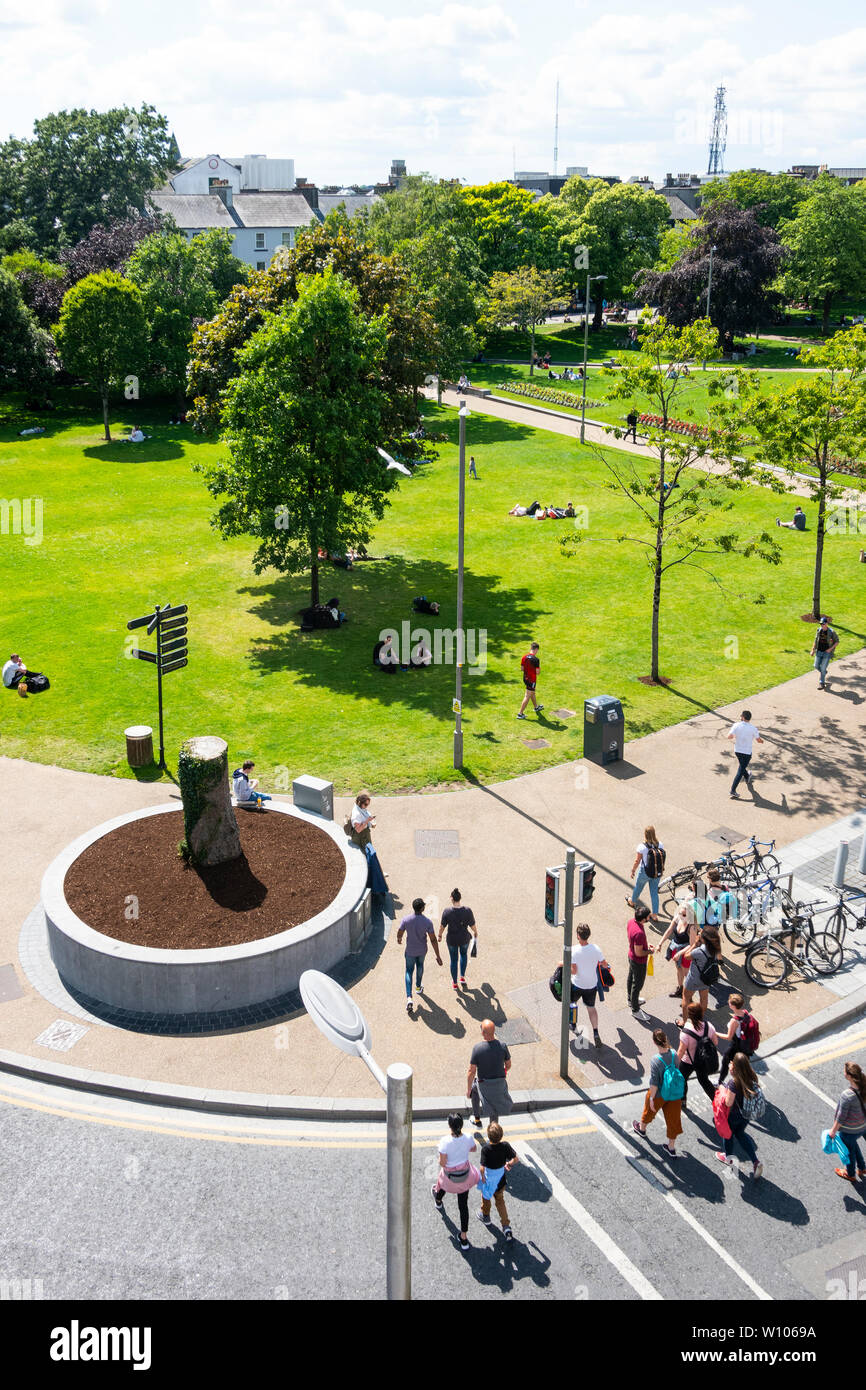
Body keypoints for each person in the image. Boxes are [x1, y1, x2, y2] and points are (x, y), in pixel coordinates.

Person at [432, 1112, 480, 1251]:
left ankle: (438, 1201)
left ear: (449, 1126)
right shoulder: (468, 1138)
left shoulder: (445, 1142)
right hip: (465, 1176)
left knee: (441, 1186)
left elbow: (442, 1163)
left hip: (450, 1177)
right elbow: (474, 1148)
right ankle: (463, 1238)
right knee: (463, 1206)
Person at [632, 1028, 684, 1158]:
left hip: (660, 1094)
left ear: (654, 1042)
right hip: (674, 1094)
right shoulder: (674, 1054)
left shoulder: (655, 1060)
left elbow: (654, 1083)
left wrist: (651, 1099)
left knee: (649, 1111)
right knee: (673, 1119)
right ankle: (671, 1147)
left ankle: (642, 1129)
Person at [717, 1052, 763, 1179]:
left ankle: (728, 1157)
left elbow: (728, 1102)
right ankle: (755, 1161)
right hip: (746, 1115)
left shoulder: (734, 1083)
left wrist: (723, 1090)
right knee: (740, 1134)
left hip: (734, 1116)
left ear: (736, 1067)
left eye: (732, 1063)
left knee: (728, 1135)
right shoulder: (752, 1077)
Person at [397, 897, 442, 1014]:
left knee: (408, 971)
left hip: (410, 951)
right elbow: (433, 940)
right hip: (422, 950)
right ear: (422, 908)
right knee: (420, 966)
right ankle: (418, 987)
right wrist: (438, 955)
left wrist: (399, 938)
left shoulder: (406, 920)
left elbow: (400, 931)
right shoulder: (427, 922)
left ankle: (409, 998)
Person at [477, 1121, 519, 1243]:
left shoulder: (486, 1149)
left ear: (488, 1136)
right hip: (501, 1181)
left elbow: (482, 1167)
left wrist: (482, 1177)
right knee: (500, 1201)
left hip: (489, 1181)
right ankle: (506, 1226)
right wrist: (509, 1164)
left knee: (486, 1198)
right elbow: (515, 1159)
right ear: (501, 1135)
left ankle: (486, 1216)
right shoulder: (505, 1146)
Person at [569, 923, 609, 1047]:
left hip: (577, 984)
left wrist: (565, 966)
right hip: (592, 984)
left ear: (578, 936)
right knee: (591, 1009)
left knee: (572, 1003)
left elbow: (574, 971)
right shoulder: (596, 948)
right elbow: (604, 964)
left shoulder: (574, 950)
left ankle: (573, 1024)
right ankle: (595, 1032)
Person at [467, 1019, 512, 1126]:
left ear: (483, 1033)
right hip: (499, 1084)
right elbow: (508, 1065)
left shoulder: (478, 1048)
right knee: (494, 1108)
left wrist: (468, 1090)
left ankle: (476, 1119)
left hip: (484, 1084)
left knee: (474, 1089)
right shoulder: (503, 1046)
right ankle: (494, 1132)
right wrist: (504, 1072)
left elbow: (471, 1071)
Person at [675, 926, 722, 1025]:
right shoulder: (715, 948)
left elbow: (687, 956)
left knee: (686, 998)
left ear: (704, 939)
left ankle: (684, 1021)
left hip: (694, 979)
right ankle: (700, 1018)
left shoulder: (699, 951)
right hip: (706, 979)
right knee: (704, 999)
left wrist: (695, 944)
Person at [827, 1061, 866, 1182]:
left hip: (850, 1130)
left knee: (849, 1151)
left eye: (844, 1071)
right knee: (852, 1144)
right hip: (863, 1126)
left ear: (849, 1076)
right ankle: (862, 1167)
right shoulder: (864, 1086)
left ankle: (850, 1173)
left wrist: (833, 1131)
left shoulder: (847, 1095)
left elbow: (841, 1117)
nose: (843, 1073)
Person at [676, 1002, 719, 1106]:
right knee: (704, 1081)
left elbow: (681, 1051)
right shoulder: (709, 1026)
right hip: (703, 1062)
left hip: (688, 1062)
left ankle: (682, 1100)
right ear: (701, 1013)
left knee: (682, 1080)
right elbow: (716, 1042)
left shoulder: (685, 1032)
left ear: (689, 1015)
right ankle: (718, 1103)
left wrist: (673, 1063)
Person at [438, 888, 477, 991]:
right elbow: (472, 925)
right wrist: (475, 932)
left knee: (453, 960)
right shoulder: (467, 911)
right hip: (464, 938)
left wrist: (440, 935)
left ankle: (455, 983)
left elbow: (442, 926)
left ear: (452, 898)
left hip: (452, 939)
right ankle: (462, 977)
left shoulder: (447, 911)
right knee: (464, 955)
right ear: (460, 898)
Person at [718, 993, 760, 1083]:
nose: (728, 1003)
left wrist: (715, 1033)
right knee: (744, 1065)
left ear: (733, 1006)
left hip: (736, 1045)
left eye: (729, 1003)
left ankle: (720, 1082)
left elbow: (729, 1037)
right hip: (746, 1045)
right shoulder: (745, 1012)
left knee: (726, 1061)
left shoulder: (735, 1020)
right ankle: (750, 1081)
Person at [658, 903, 696, 1000]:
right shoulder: (677, 918)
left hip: (686, 952)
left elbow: (692, 945)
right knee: (679, 968)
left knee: (687, 972)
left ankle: (688, 996)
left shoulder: (692, 927)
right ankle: (680, 989)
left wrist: (680, 953)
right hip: (676, 947)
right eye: (680, 913)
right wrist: (660, 943)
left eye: (684, 915)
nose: (681, 916)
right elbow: (669, 931)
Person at [627, 825, 666, 922]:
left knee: (638, 887)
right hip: (656, 872)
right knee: (654, 893)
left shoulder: (642, 846)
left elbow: (637, 860)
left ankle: (632, 902)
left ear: (645, 834)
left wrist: (633, 870)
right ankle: (655, 914)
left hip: (645, 872)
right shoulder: (660, 844)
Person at [727, 709, 763, 799]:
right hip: (747, 752)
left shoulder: (736, 725)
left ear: (743, 717)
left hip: (738, 751)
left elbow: (729, 737)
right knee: (740, 770)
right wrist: (762, 741)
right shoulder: (753, 728)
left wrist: (736, 735)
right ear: (749, 718)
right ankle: (732, 790)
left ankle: (747, 776)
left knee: (742, 767)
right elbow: (758, 740)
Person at [626, 904, 654, 1022]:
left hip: (631, 956)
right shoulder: (639, 933)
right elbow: (639, 953)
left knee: (631, 978)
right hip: (638, 961)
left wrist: (646, 947)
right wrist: (650, 951)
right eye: (648, 917)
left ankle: (631, 999)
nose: (649, 918)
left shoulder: (631, 922)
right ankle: (635, 1009)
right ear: (643, 919)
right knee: (637, 984)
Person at [810, 615, 839, 691]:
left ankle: (822, 683)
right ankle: (824, 672)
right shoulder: (819, 630)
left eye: (823, 624)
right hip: (819, 651)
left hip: (827, 652)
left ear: (826, 624)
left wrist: (830, 649)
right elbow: (816, 640)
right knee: (816, 666)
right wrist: (813, 650)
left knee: (823, 667)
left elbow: (837, 641)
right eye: (821, 624)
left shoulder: (831, 632)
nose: (822, 625)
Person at [517, 641, 543, 719]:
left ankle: (536, 707)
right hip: (532, 680)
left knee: (532, 693)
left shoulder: (524, 657)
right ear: (536, 649)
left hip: (525, 678)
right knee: (528, 695)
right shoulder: (536, 659)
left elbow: (522, 668)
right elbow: (537, 672)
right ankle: (520, 714)